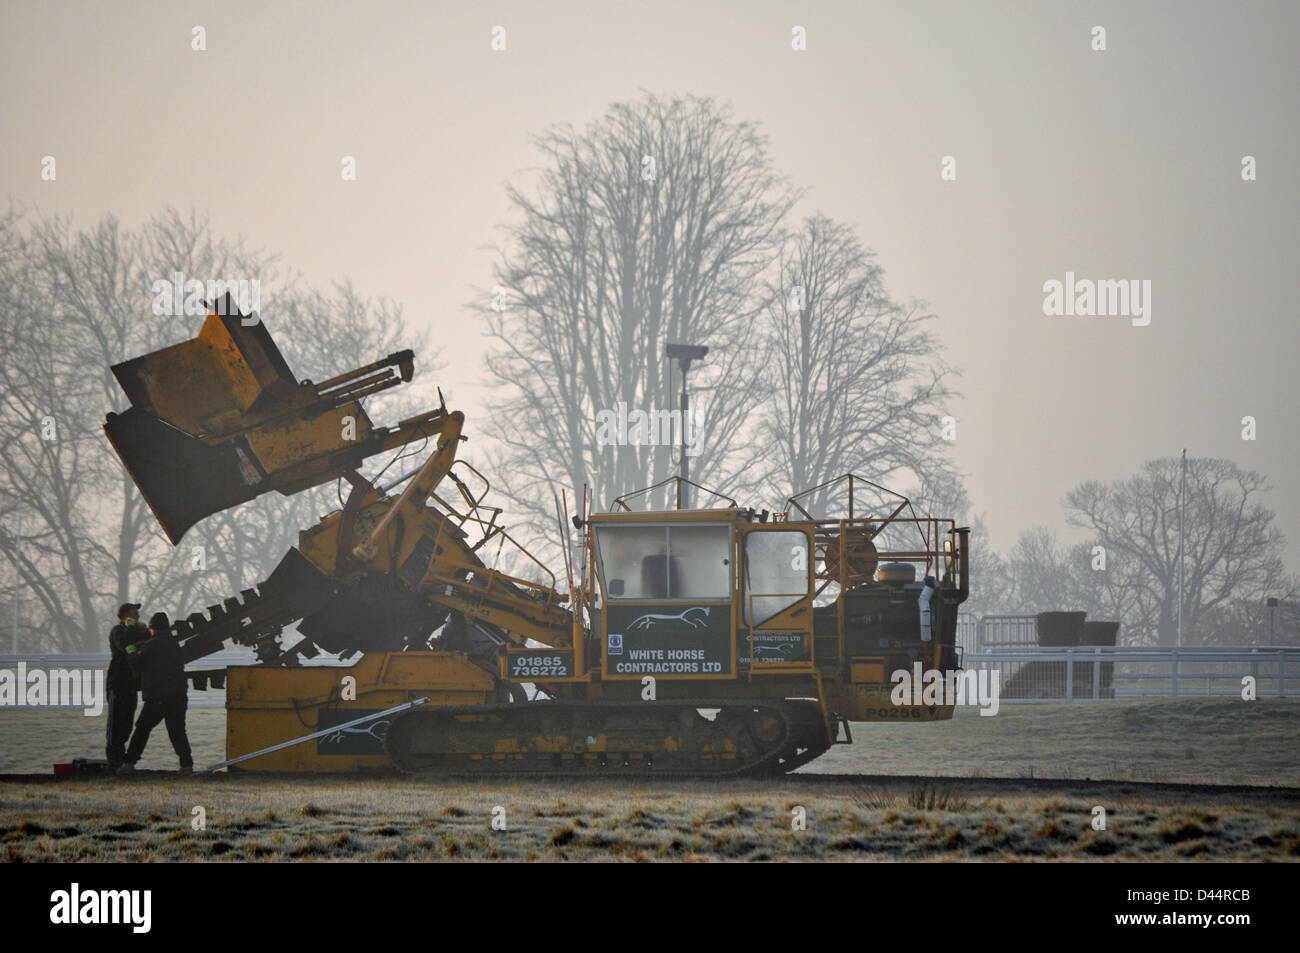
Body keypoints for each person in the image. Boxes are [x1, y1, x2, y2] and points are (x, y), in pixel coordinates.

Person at [119, 612, 193, 775]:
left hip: (158, 697)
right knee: (177, 731)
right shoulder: (173, 644)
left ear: (153, 629)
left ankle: (129, 763)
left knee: (142, 729)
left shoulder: (151, 645)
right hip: (178, 695)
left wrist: (131, 650)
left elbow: (136, 664)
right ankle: (186, 765)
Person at [105, 602, 148, 769]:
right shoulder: (118, 631)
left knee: (127, 723)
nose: (137, 615)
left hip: (131, 684)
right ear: (125, 615)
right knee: (116, 722)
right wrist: (133, 629)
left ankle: (120, 757)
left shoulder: (137, 630)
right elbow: (123, 644)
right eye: (134, 612)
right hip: (118, 682)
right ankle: (113, 759)